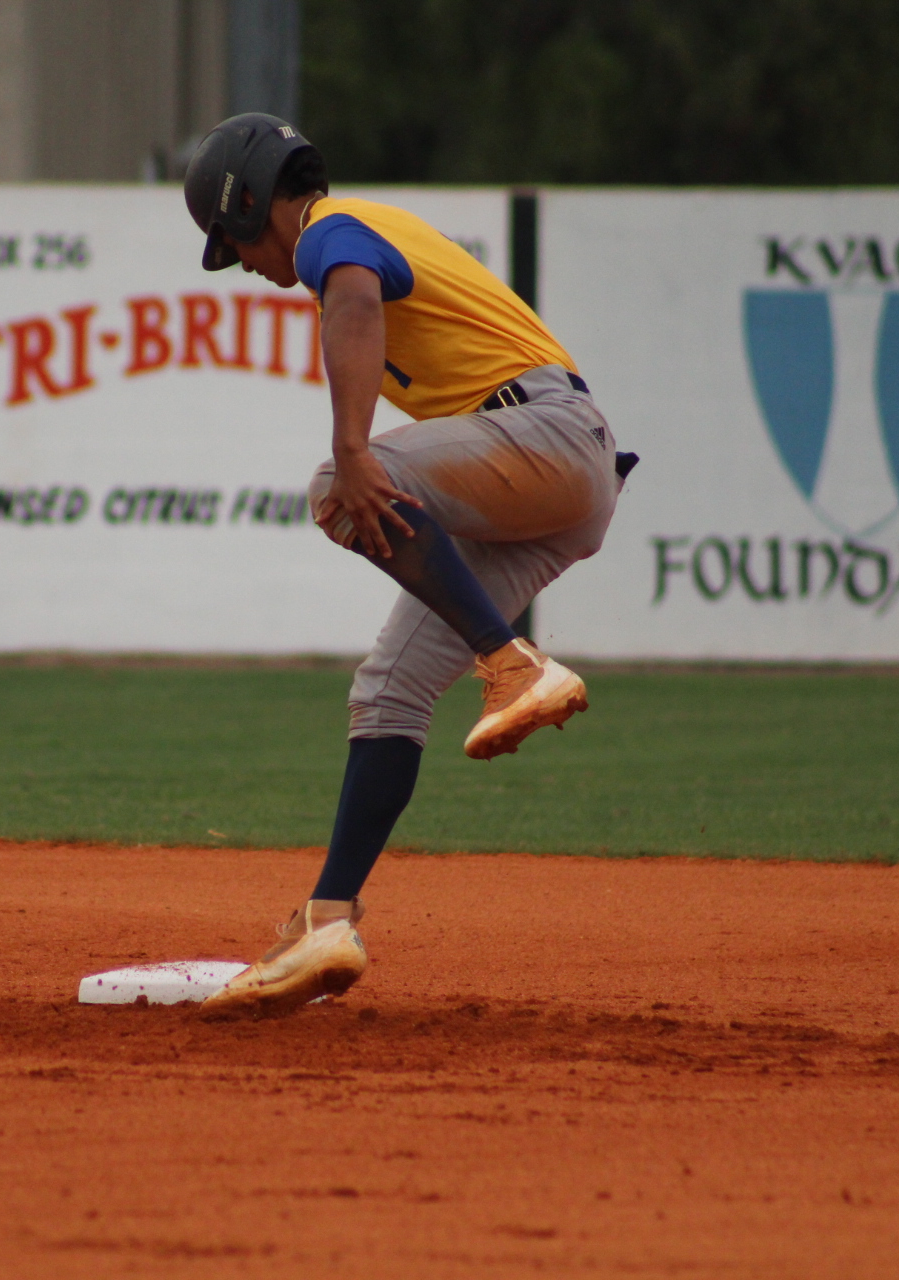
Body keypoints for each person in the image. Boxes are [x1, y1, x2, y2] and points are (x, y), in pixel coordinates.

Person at [181, 115, 633, 1014]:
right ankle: (327, 921)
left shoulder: (330, 232)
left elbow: (350, 296)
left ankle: (510, 664)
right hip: (564, 481)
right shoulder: (359, 230)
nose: (247, 264)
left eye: (233, 242)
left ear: (251, 203)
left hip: (544, 436)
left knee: (338, 484)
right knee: (386, 692)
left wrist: (353, 446)